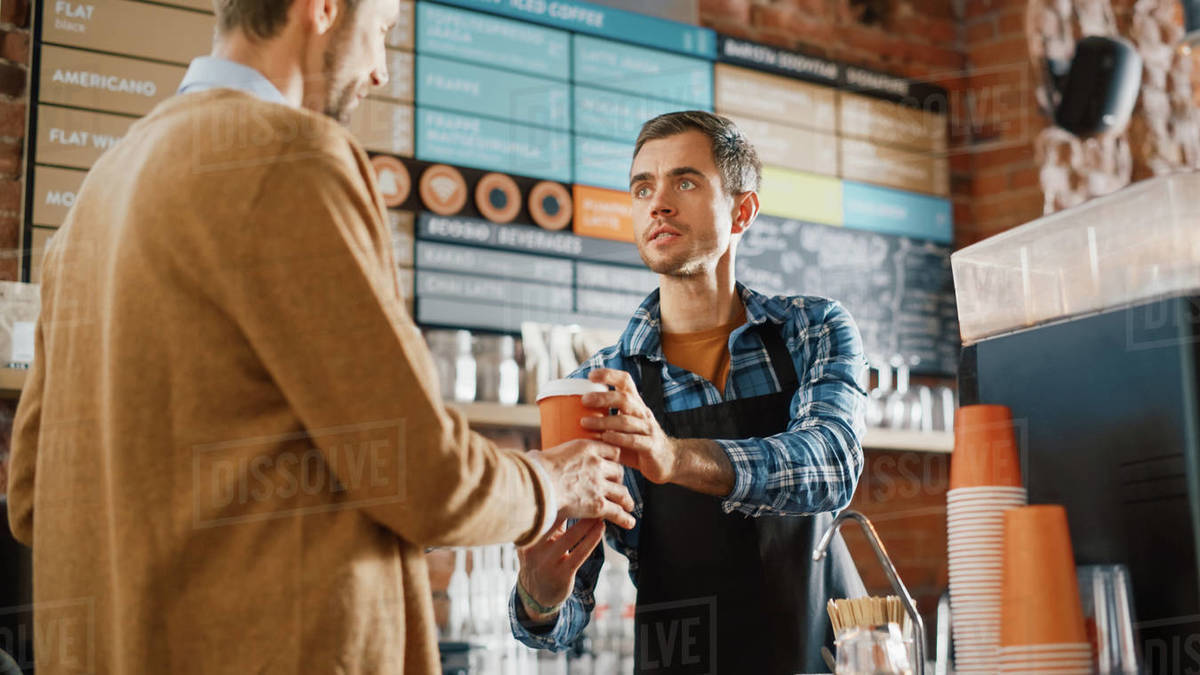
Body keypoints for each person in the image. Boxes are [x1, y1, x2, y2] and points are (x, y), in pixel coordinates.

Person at [5, 0, 635, 673]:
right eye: (383, 33)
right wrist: (552, 477)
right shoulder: (294, 157)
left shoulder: (96, 197)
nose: (379, 72)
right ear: (325, 9)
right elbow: (425, 476)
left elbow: (33, 495)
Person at [510, 111, 869, 674]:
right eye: (642, 187)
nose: (658, 203)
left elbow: (832, 463)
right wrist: (539, 594)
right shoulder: (596, 387)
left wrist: (673, 456)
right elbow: (563, 616)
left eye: (685, 181)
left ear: (743, 211)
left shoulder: (811, 330)